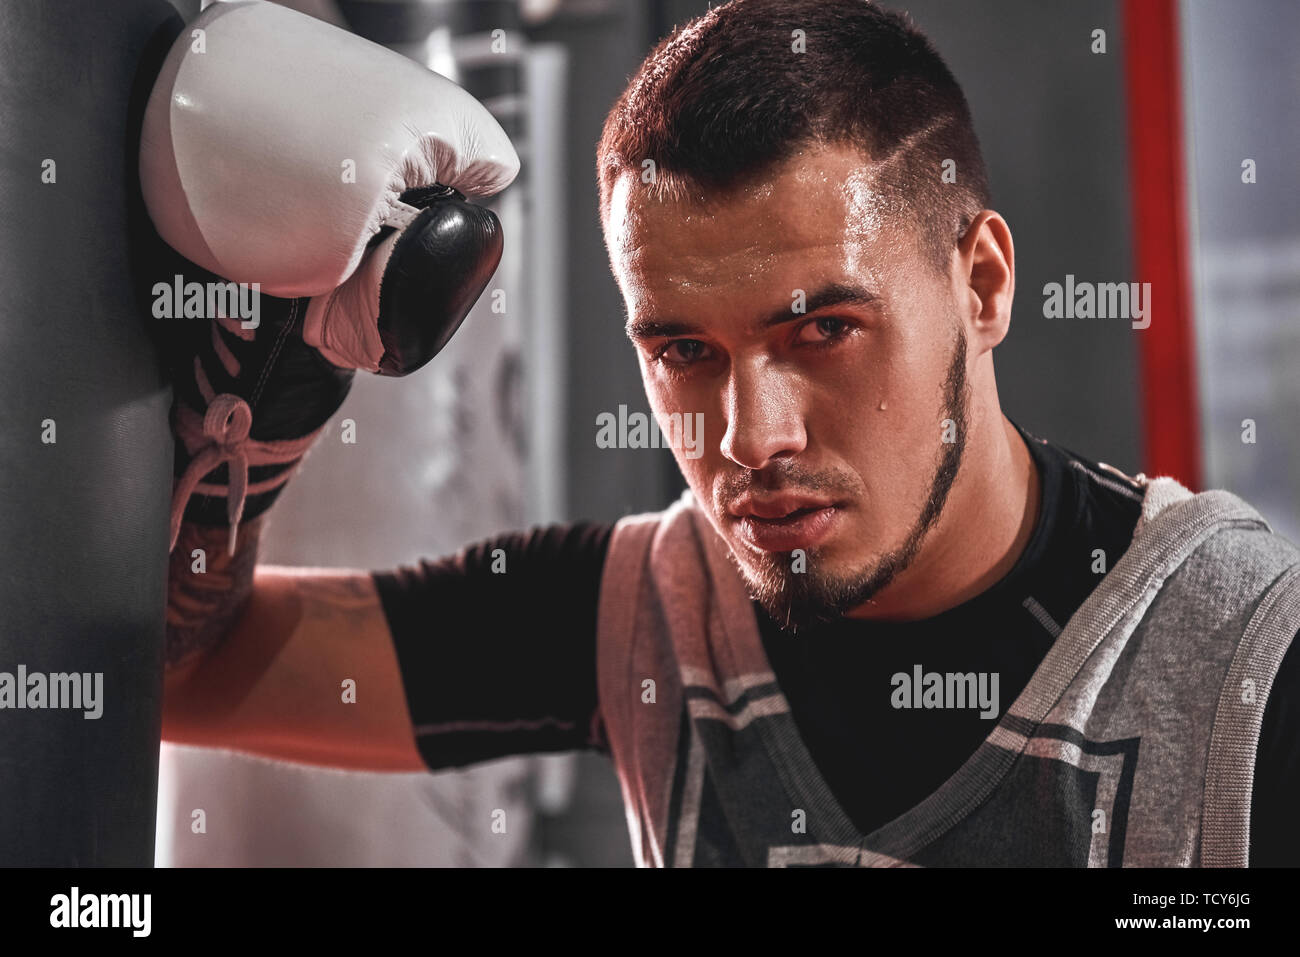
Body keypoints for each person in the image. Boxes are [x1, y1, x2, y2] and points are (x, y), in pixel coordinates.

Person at [159, 0, 1300, 867]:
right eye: (682, 351)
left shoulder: (1248, 661)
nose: (751, 437)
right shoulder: (654, 612)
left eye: (824, 332)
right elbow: (177, 670)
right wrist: (276, 401)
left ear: (983, 285)